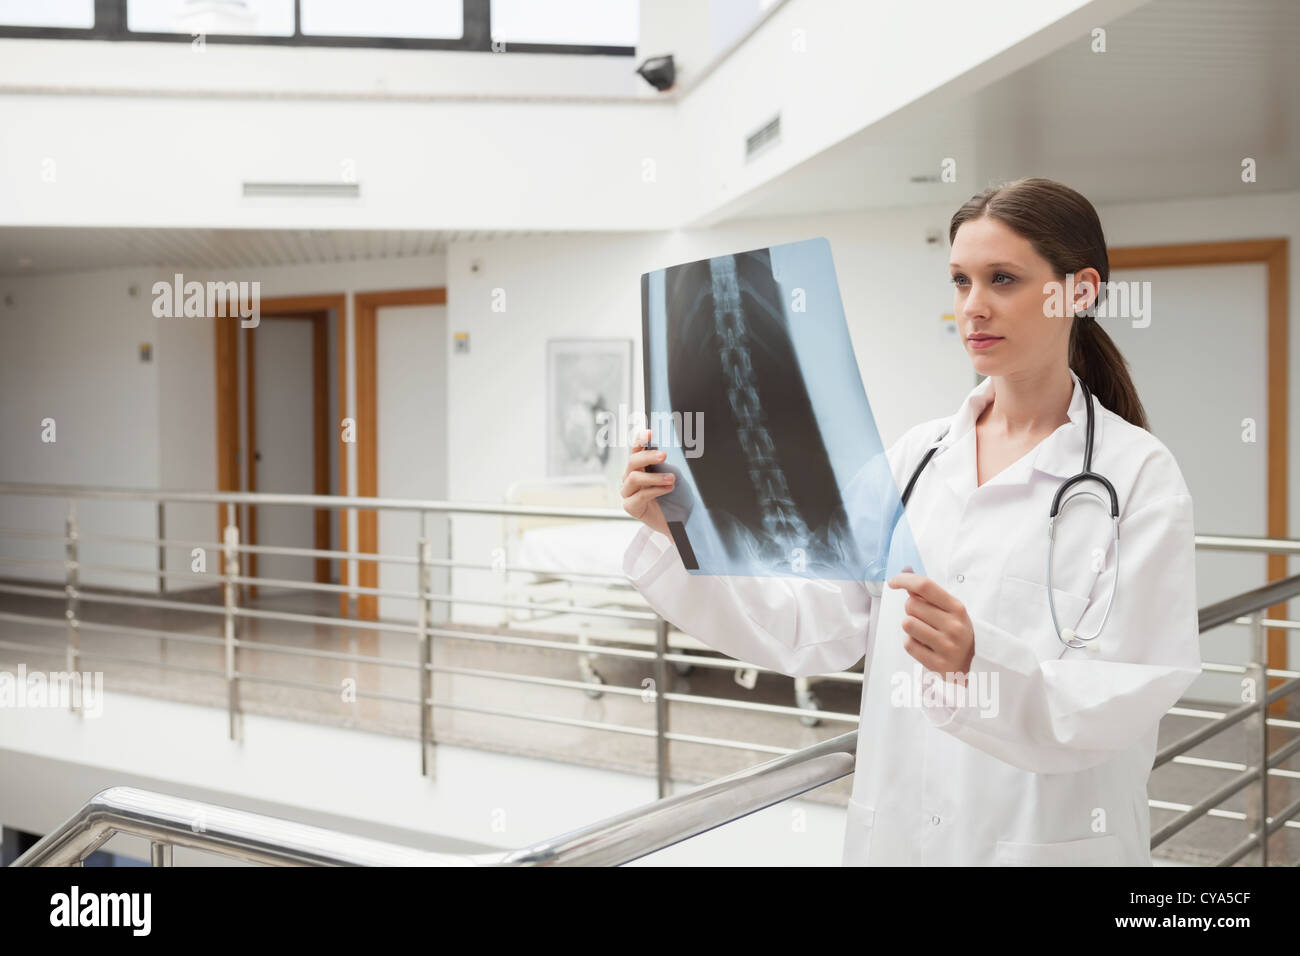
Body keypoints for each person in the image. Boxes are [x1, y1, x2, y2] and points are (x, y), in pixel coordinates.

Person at [620, 177, 1203, 866]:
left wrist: (978, 663)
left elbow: (1130, 688)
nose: (974, 307)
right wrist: (676, 528)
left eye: (1003, 279)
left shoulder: (1137, 475)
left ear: (1078, 291)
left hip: (1045, 843)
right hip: (899, 838)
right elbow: (810, 626)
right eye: (960, 281)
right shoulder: (915, 460)